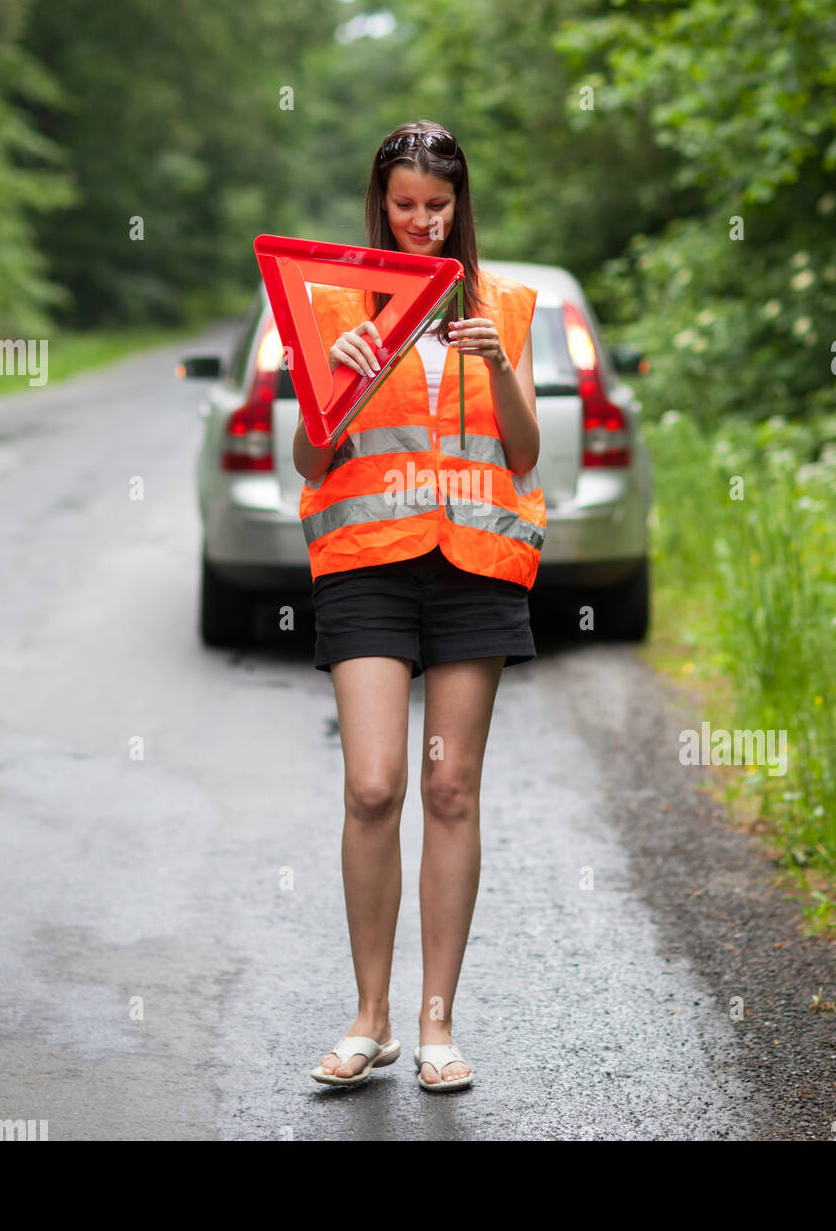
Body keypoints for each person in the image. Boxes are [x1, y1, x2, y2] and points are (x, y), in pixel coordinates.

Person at [293, 121, 546, 1091]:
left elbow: (521, 456)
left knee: (449, 791)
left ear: (460, 205)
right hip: (366, 560)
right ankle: (371, 1017)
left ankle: (437, 1023)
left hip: (474, 563)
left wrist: (492, 365)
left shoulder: (506, 305)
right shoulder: (330, 305)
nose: (420, 222)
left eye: (437, 206)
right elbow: (310, 461)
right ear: (379, 200)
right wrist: (348, 376)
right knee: (373, 785)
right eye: (404, 204)